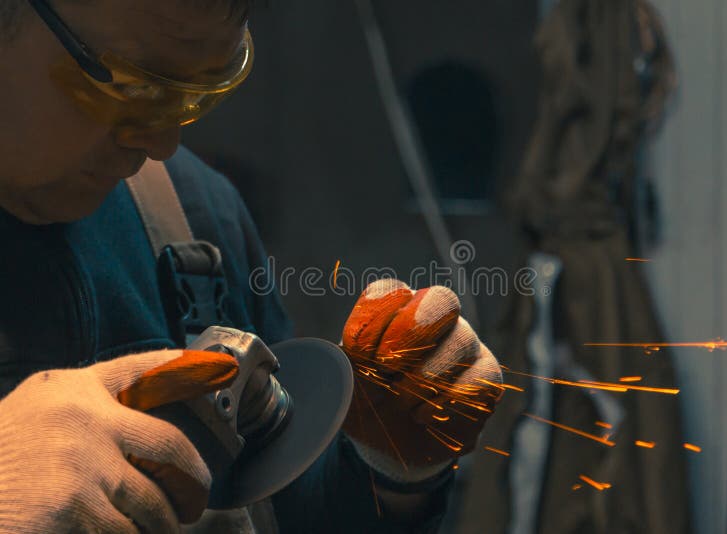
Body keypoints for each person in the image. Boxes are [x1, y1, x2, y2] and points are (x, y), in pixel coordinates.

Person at [0, 0, 502, 532]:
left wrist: (390, 471)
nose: (160, 144)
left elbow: (288, 508)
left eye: (193, 95)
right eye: (129, 88)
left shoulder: (192, 222)